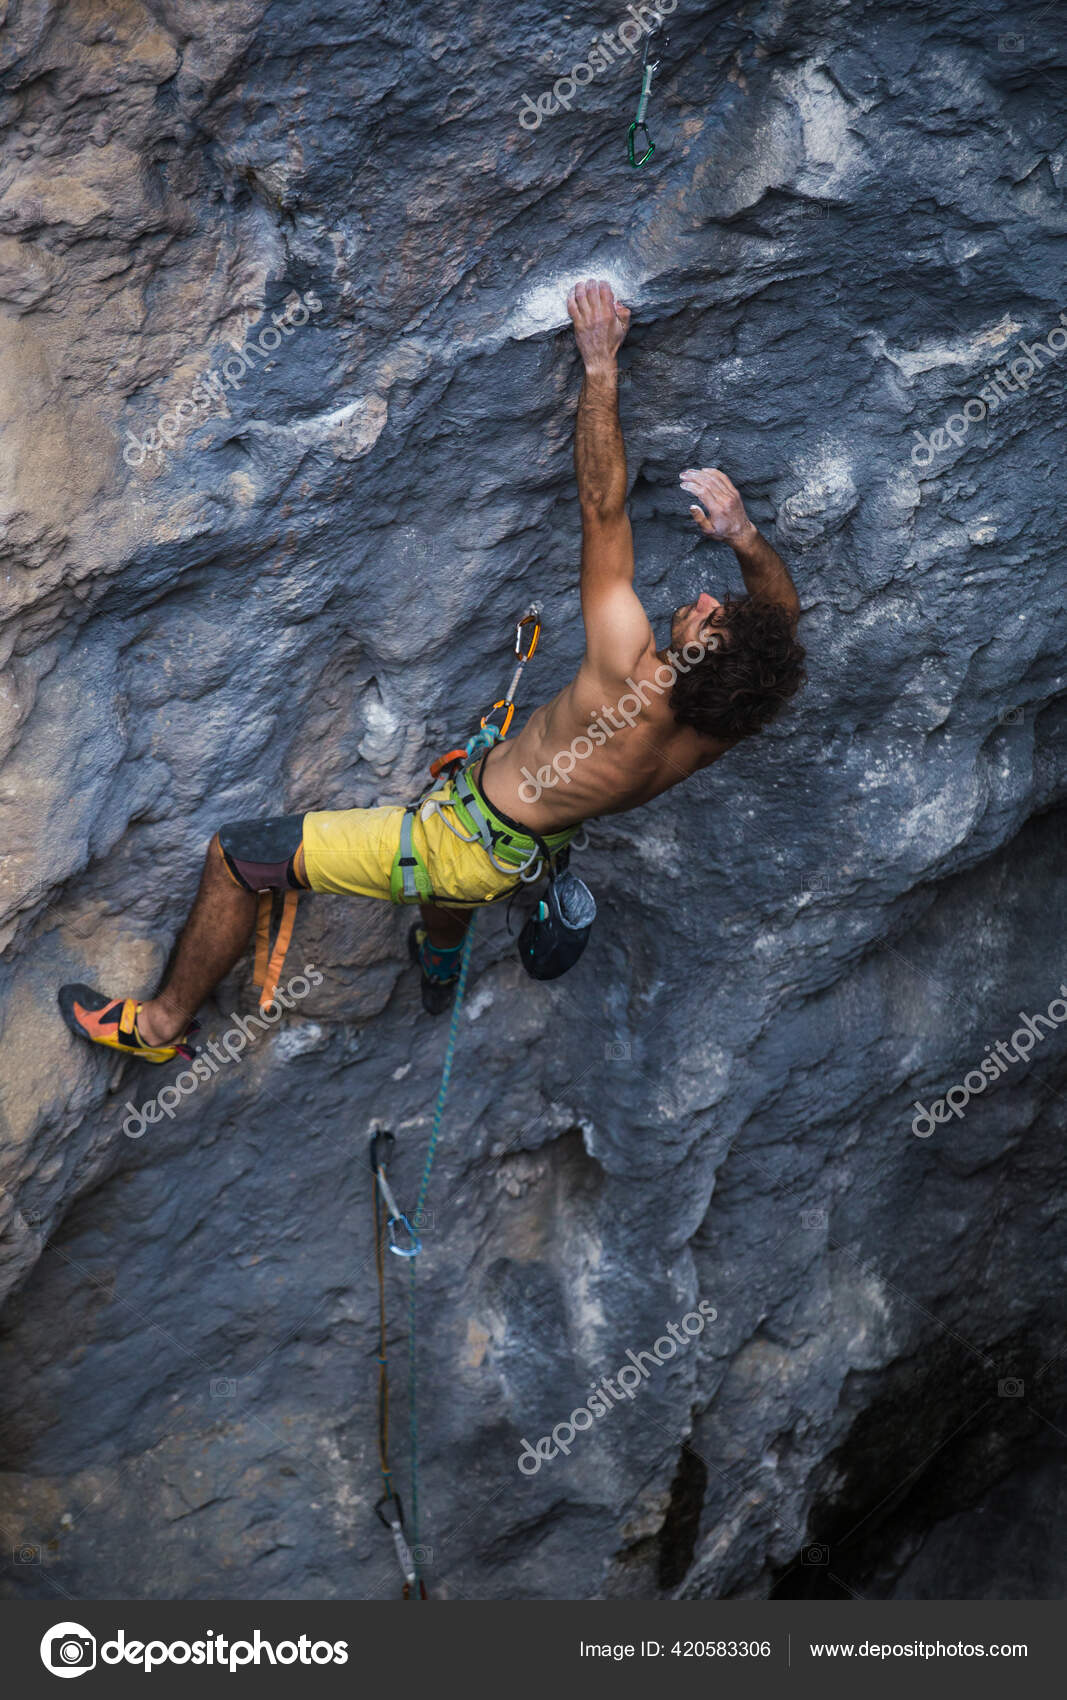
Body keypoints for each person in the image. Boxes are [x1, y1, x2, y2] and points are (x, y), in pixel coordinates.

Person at [59, 279, 805, 1056]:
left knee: (238, 856)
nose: (707, 600)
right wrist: (744, 535)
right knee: (459, 874)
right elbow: (779, 624)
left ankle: (158, 1025)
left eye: (710, 621)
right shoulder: (729, 717)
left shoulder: (627, 670)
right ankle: (442, 958)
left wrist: (600, 367)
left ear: (689, 664)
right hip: (523, 846)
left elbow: (601, 508)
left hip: (462, 842)